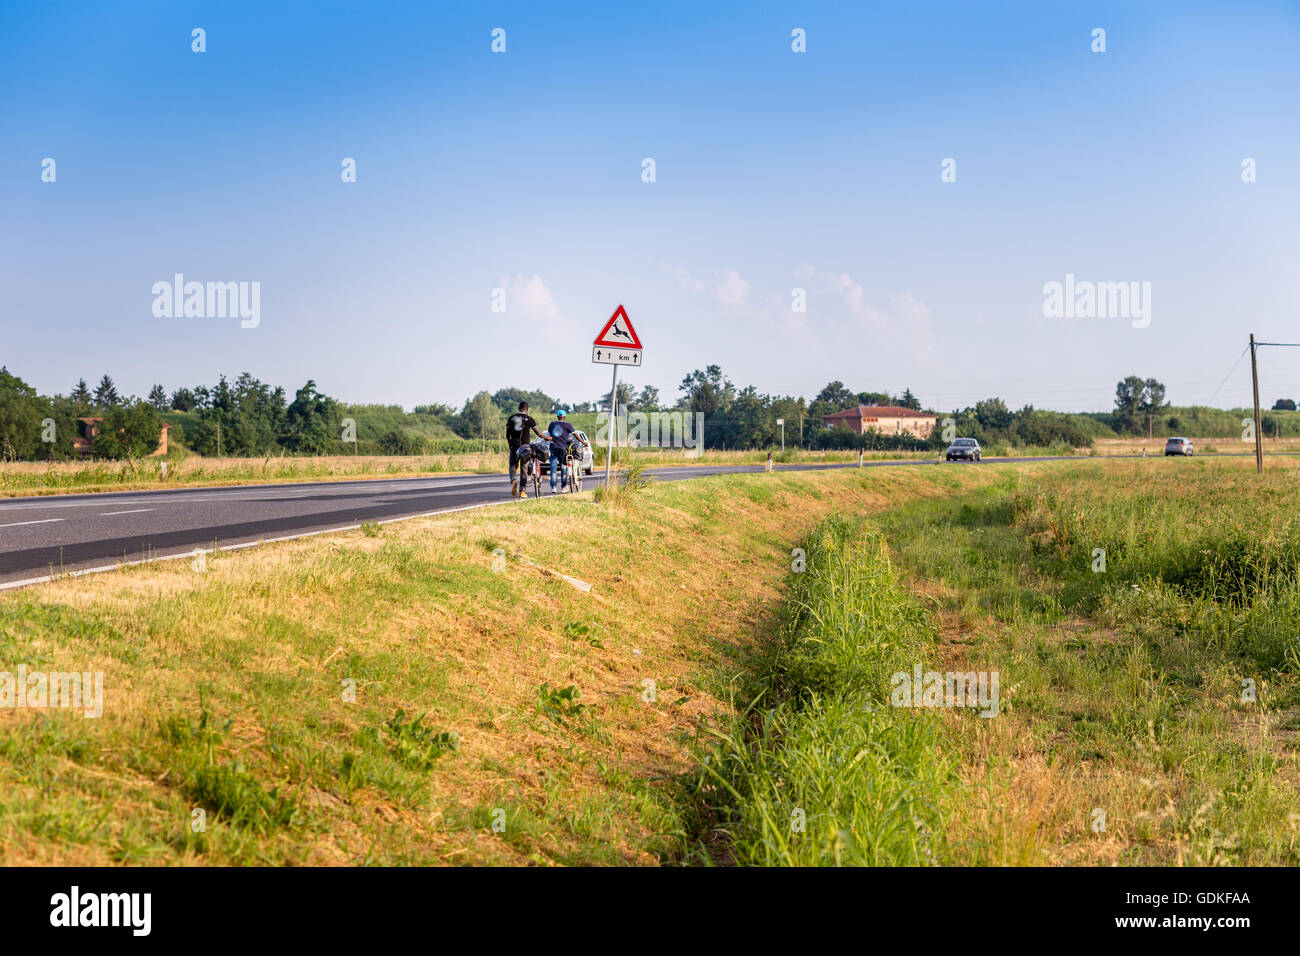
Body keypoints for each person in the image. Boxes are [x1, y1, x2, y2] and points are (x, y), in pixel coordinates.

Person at [506, 401, 548, 498]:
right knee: (524, 469)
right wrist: (547, 438)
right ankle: (522, 491)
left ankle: (513, 480)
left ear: (518, 408)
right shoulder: (529, 419)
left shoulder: (511, 418)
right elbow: (539, 433)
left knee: (512, 467)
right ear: (527, 409)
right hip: (525, 448)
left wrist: (510, 444)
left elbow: (507, 435)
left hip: (514, 446)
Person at [546, 409, 588, 494]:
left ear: (557, 416)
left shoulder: (552, 424)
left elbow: (550, 434)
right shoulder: (567, 425)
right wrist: (583, 442)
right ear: (564, 417)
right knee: (563, 468)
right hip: (563, 450)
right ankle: (564, 487)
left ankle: (553, 487)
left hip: (553, 448)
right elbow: (575, 434)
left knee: (553, 469)